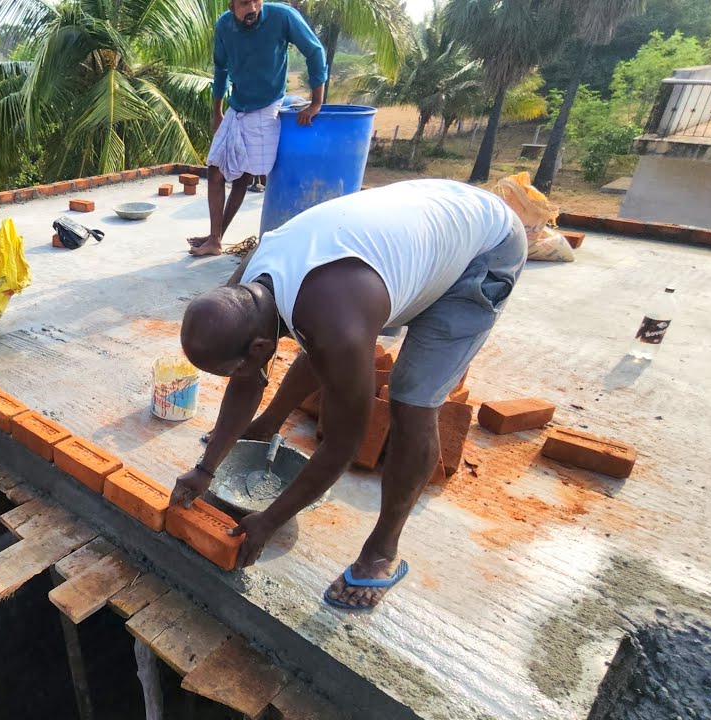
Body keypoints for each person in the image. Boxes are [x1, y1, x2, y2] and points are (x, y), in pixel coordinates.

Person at [173, 179, 527, 610]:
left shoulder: (337, 325)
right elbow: (247, 379)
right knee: (325, 343)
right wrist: (206, 469)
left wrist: (270, 519)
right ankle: (266, 427)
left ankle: (382, 550)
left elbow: (343, 444)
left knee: (411, 402)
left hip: (484, 250)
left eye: (232, 366)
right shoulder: (244, 286)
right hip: (414, 232)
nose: (236, 375)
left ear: (260, 348)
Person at [187, 0, 327, 257]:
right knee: (215, 169)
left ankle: (216, 239)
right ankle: (215, 237)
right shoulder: (224, 27)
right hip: (237, 106)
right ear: (231, 6)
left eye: (255, 0)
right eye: (243, 3)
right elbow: (221, 68)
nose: (252, 7)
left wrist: (317, 102)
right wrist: (217, 110)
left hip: (266, 107)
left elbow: (314, 51)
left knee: (242, 177)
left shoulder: (283, 17)